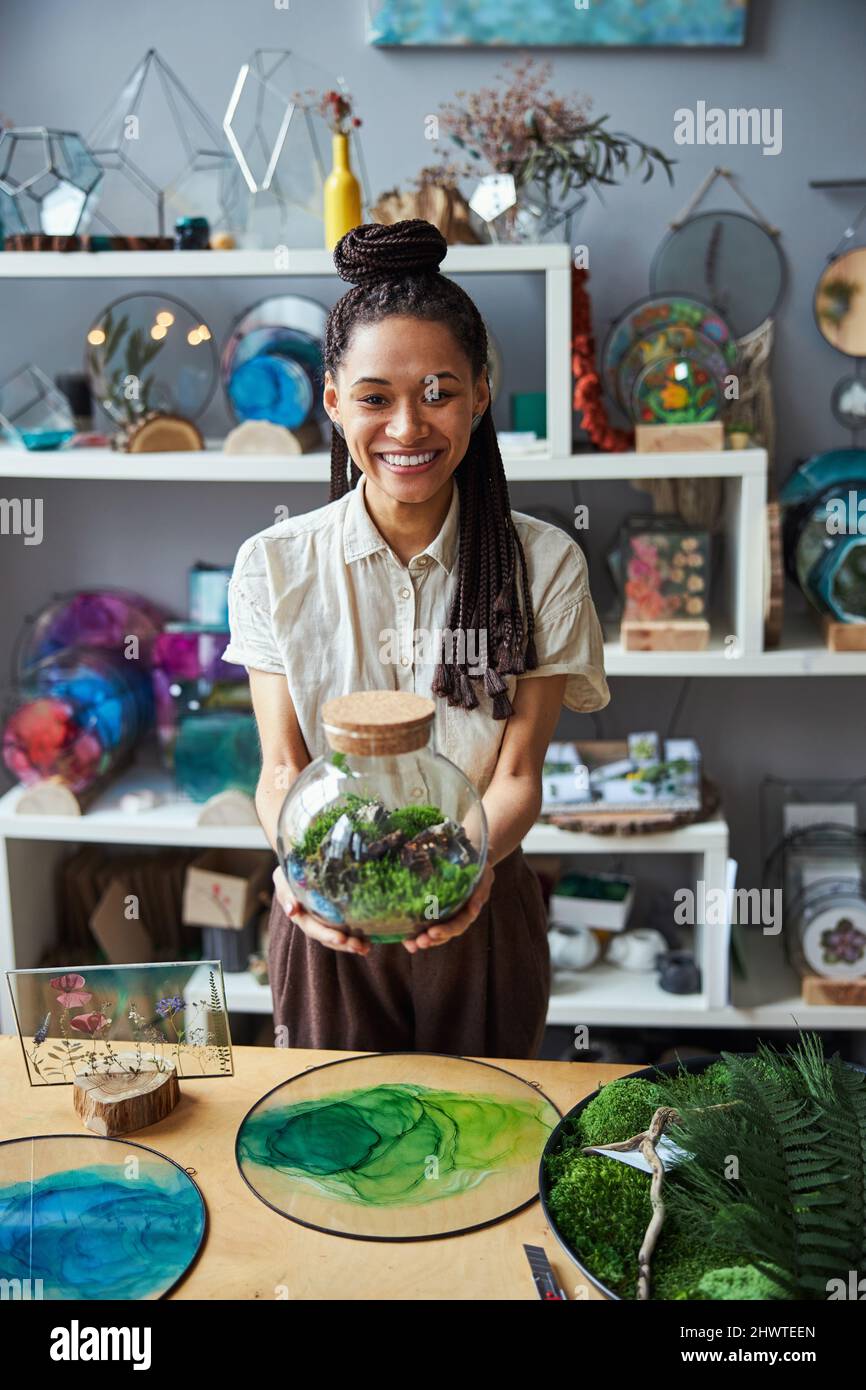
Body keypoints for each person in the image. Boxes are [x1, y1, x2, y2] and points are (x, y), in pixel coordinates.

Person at [223, 218, 610, 1057]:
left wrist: (462, 874)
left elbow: (516, 775)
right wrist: (298, 872)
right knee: (331, 1164)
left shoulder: (544, 566)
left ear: (479, 394)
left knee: (489, 1164)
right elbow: (282, 771)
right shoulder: (272, 566)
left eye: (439, 391)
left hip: (481, 915)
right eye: (375, 398)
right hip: (326, 917)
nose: (408, 427)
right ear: (333, 403)